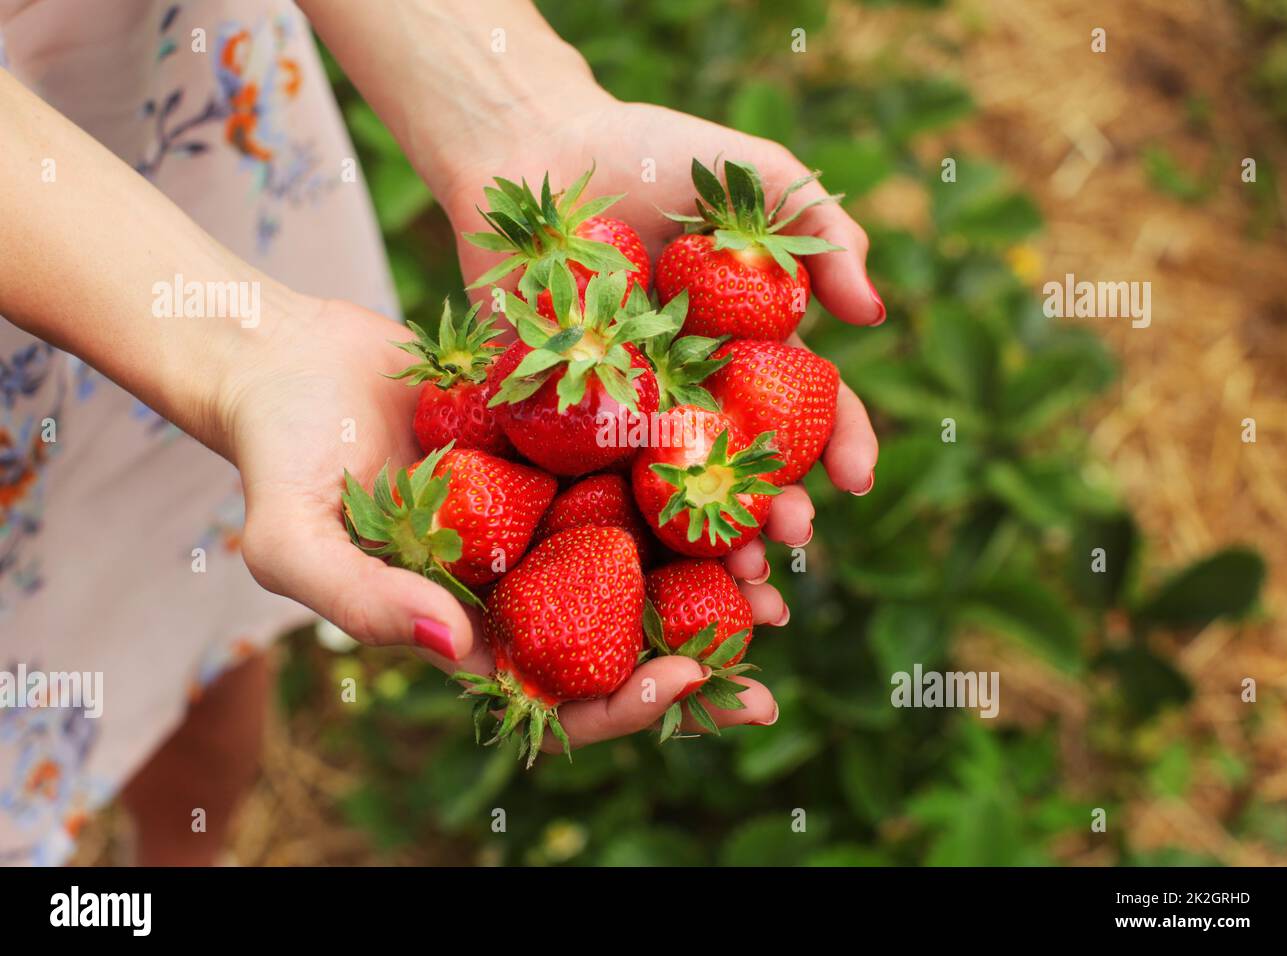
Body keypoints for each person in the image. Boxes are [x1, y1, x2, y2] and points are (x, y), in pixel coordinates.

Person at [0, 0, 883, 866]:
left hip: (179, 94)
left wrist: (521, 116)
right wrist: (245, 355)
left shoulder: (610, 407)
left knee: (194, 599)